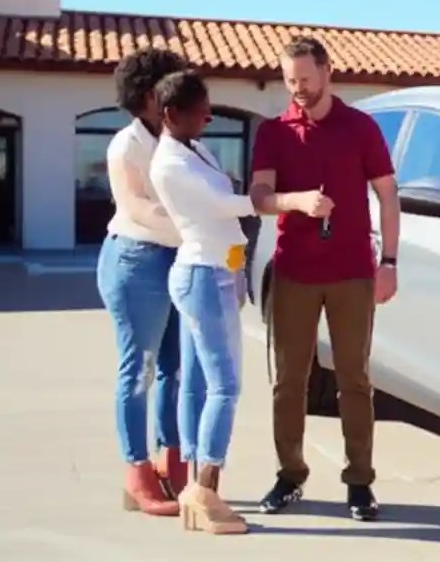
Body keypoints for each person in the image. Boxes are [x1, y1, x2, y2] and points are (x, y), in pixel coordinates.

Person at [248, 35, 399, 521]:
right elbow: (259, 197)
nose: (298, 90)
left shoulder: (361, 128)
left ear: (327, 71)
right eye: (290, 81)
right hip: (294, 273)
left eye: (306, 80)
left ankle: (360, 483)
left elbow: (388, 196)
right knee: (288, 381)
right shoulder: (274, 132)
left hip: (353, 274)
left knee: (354, 380)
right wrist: (295, 202)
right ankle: (290, 474)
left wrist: (389, 262)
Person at [150, 70, 254, 535]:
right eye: (200, 110)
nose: (209, 116)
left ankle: (197, 486)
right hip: (202, 274)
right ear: (171, 115)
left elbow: (222, 193)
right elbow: (226, 202)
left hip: (215, 271)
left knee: (197, 382)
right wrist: (288, 201)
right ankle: (205, 488)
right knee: (225, 387)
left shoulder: (194, 149)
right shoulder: (169, 162)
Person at [97, 48, 190, 517]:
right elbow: (137, 208)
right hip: (137, 261)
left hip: (178, 259)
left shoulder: (178, 139)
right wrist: (197, 228)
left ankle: (171, 463)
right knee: (140, 371)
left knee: (177, 368)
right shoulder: (126, 145)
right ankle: (136, 473)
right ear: (151, 94)